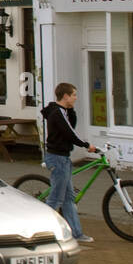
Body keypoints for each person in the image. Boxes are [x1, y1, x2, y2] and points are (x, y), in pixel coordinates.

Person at [40, 82, 99, 243]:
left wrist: (71, 109)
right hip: (58, 158)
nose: (76, 98)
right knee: (55, 199)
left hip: (63, 157)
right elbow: (71, 134)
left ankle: (76, 233)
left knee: (68, 198)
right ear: (65, 96)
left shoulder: (63, 112)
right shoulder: (57, 113)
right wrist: (87, 146)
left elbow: (71, 125)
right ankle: (41, 231)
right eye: (73, 95)